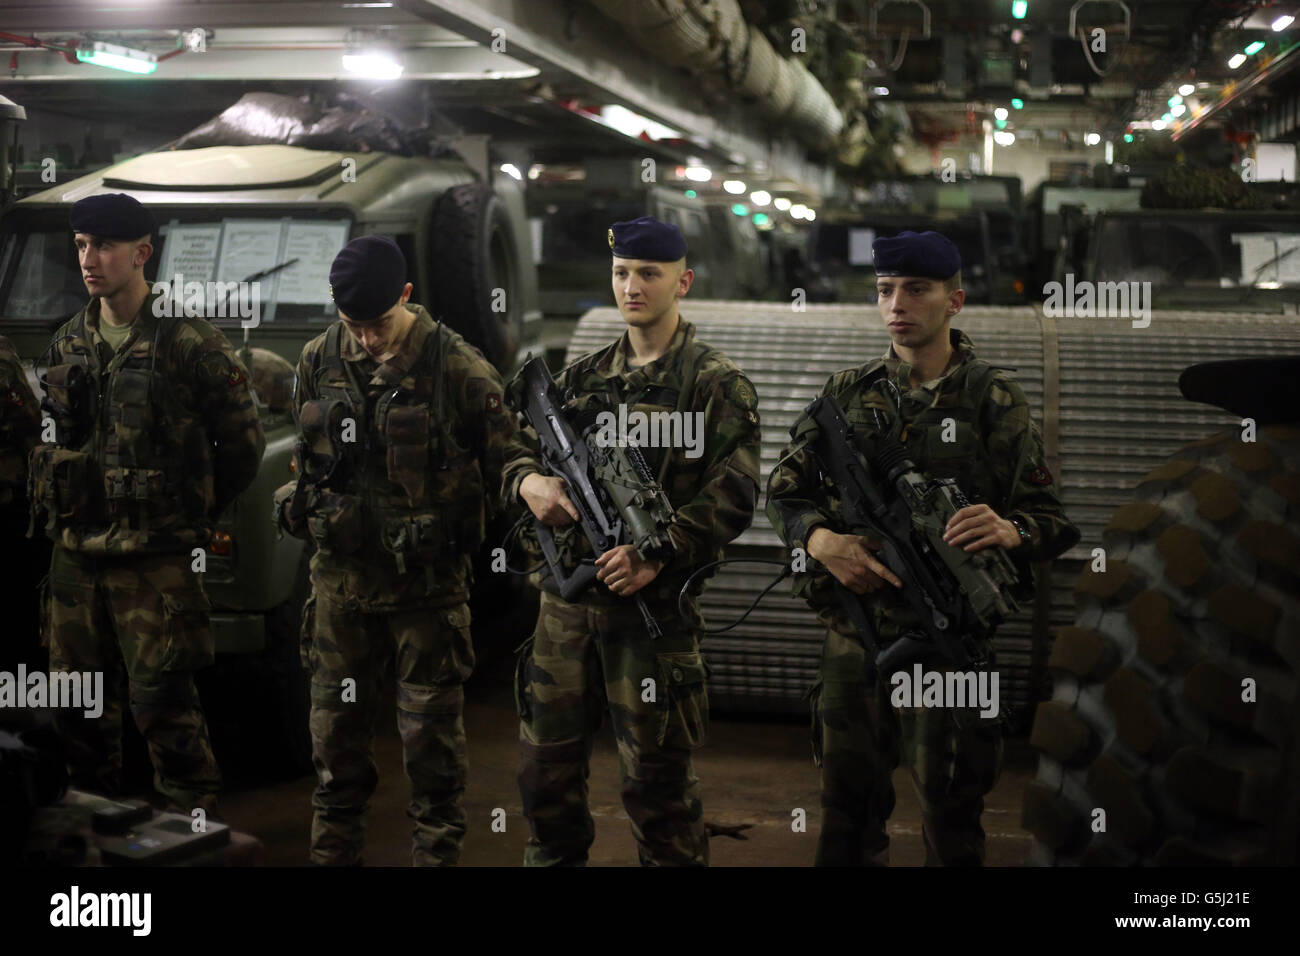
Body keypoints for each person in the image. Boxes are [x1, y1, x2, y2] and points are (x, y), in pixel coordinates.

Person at [766, 230, 1080, 866]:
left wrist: (1011, 529)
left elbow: (1052, 521)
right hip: (854, 643)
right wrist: (823, 541)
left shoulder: (994, 398)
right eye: (886, 290)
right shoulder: (846, 394)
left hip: (947, 645)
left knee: (953, 819)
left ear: (954, 300)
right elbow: (782, 492)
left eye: (916, 289)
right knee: (846, 819)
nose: (897, 303)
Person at [506, 216, 763, 866]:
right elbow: (520, 453)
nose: (632, 286)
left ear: (683, 280)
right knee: (546, 785)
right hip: (564, 616)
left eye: (648, 273)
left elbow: (734, 495)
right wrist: (529, 484)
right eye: (622, 273)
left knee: (658, 794)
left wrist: (659, 552)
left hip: (653, 621)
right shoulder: (581, 377)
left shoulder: (713, 383)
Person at [274, 235, 531, 866]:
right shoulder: (317, 358)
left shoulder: (457, 366)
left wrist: (531, 483)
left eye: (379, 324)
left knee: (433, 766)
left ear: (407, 297)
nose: (366, 340)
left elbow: (513, 452)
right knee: (335, 763)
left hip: (427, 596)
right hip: (340, 593)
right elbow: (310, 464)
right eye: (353, 325)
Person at [31, 193, 265, 814]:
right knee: (75, 706)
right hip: (76, 558)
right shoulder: (66, 344)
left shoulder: (191, 343)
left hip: (153, 559)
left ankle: (193, 837)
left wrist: (190, 513)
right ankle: (88, 839)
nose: (89, 258)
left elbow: (242, 446)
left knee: (166, 709)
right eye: (81, 245)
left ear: (142, 253)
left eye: (104, 246)